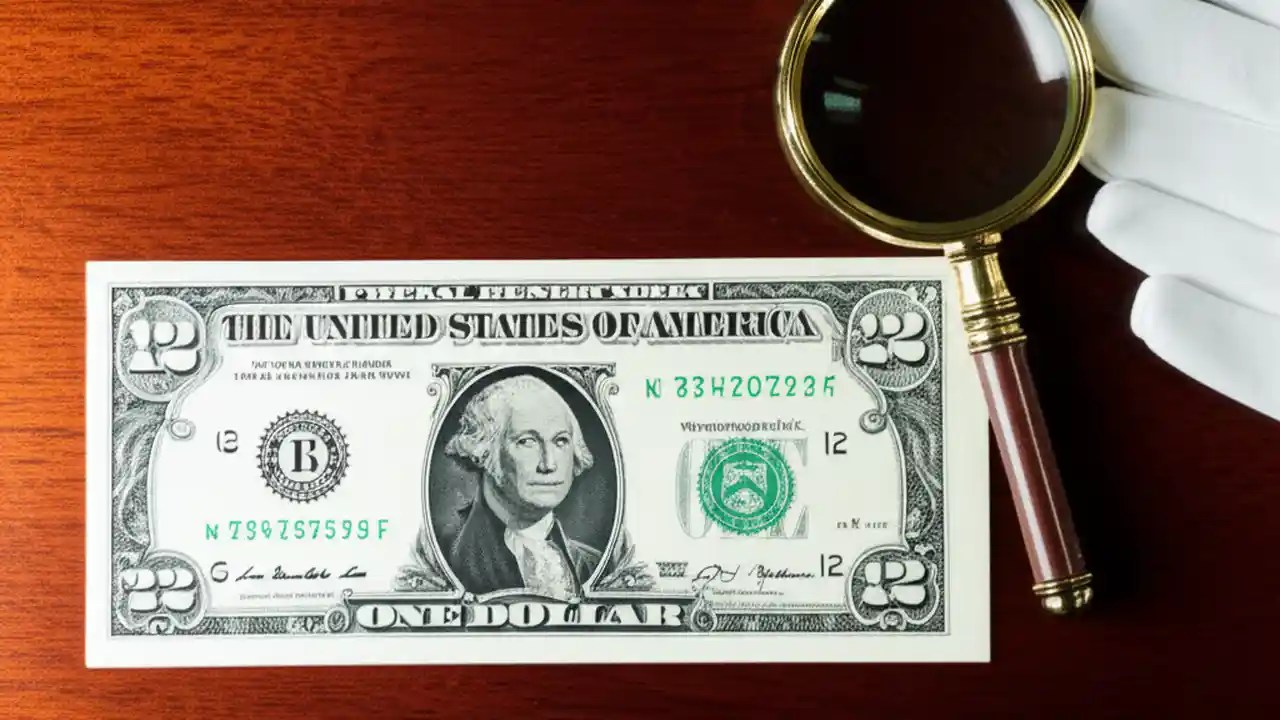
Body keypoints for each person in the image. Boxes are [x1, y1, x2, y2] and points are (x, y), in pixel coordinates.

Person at [441, 374, 602, 599]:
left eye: (561, 441)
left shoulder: (596, 564)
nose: (549, 464)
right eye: (528, 441)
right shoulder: (443, 559)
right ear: (485, 451)